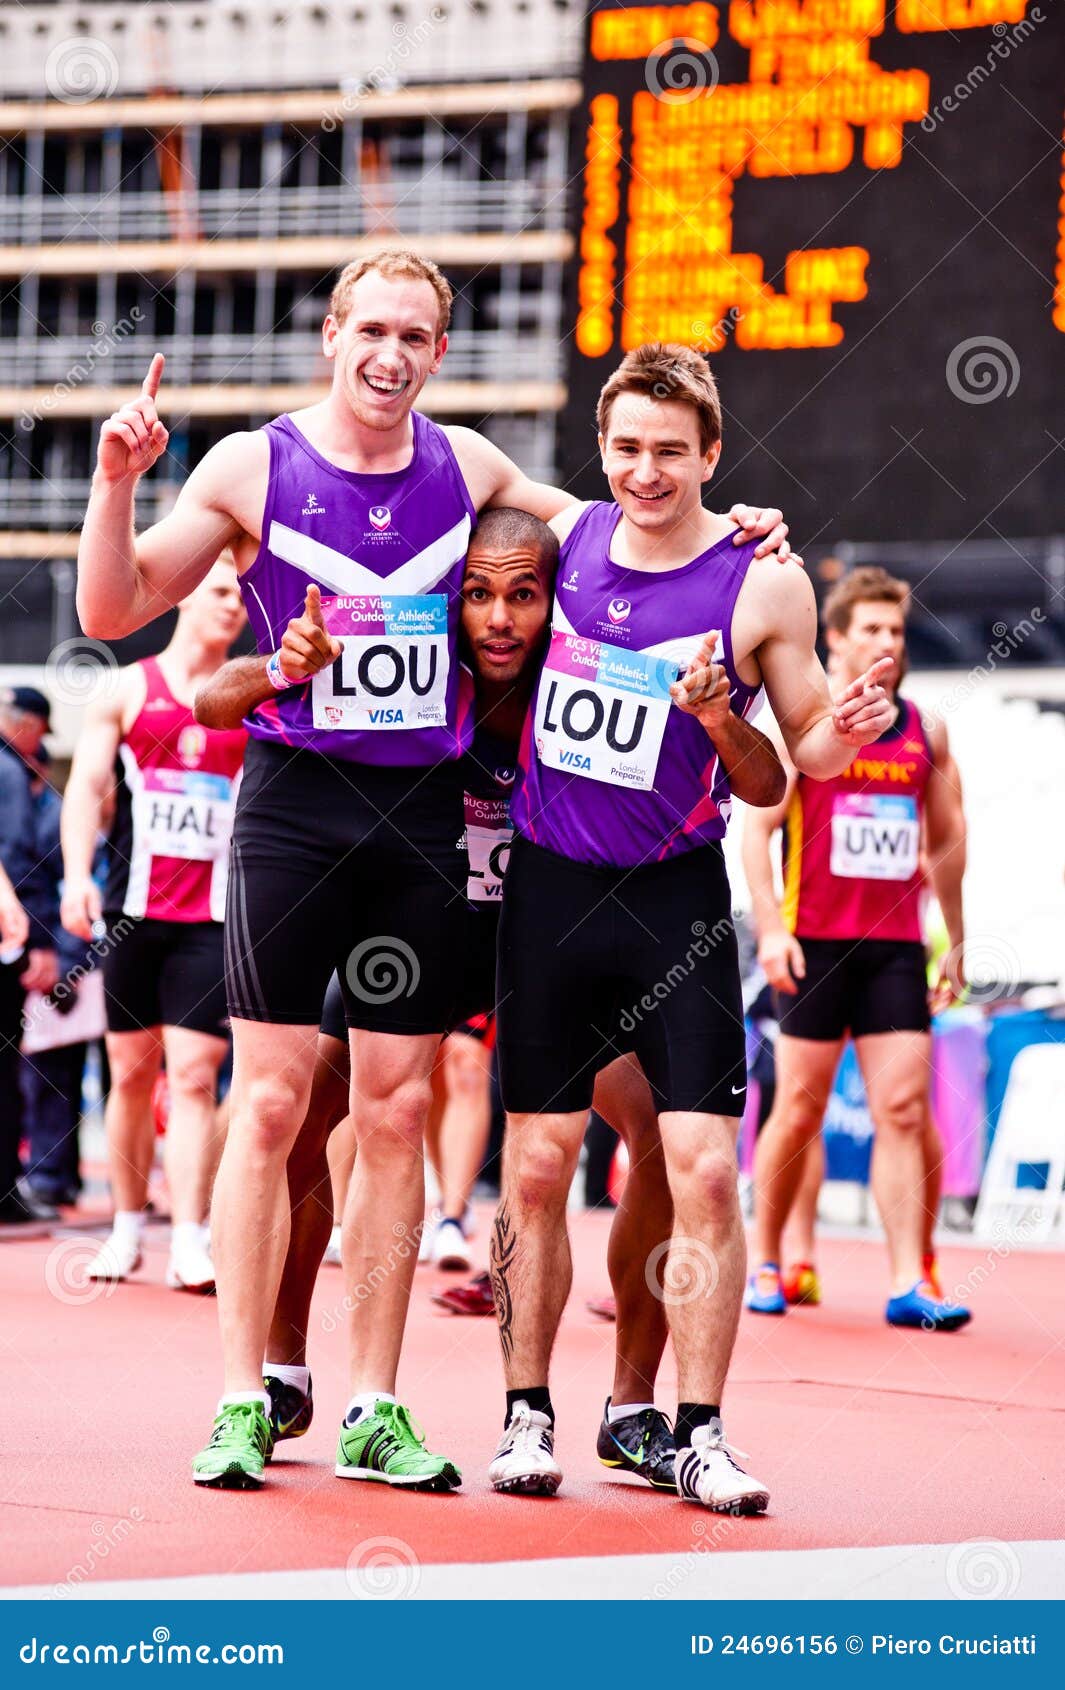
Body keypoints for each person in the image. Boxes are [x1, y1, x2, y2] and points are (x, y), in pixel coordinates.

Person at [75, 247, 795, 1490]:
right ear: (332, 334)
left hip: (416, 817)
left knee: (401, 1108)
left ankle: (376, 1403)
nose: (390, 356)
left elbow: (628, 526)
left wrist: (735, 531)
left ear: (439, 352)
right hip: (297, 809)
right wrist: (115, 483)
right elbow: (115, 606)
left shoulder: (467, 466)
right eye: (371, 331)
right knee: (274, 1102)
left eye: (416, 336)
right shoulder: (254, 464)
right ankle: (244, 1395)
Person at [194, 506, 788, 1490]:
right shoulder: (416, 677)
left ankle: (633, 1407)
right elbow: (223, 692)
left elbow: (638, 510)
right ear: (450, 598)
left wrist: (731, 521)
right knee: (306, 1113)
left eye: (525, 594)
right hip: (425, 936)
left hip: (552, 934)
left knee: (657, 1135)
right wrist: (285, 664)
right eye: (477, 594)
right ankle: (282, 1369)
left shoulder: (592, 666)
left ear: (560, 598)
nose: (501, 618)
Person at [489, 342, 897, 1513]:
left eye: (672, 451)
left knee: (706, 1171)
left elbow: (788, 770)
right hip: (553, 892)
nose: (647, 472)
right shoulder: (559, 541)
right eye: (627, 448)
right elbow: (452, 468)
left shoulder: (763, 582)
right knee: (537, 1163)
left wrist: (767, 722)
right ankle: (526, 1414)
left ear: (712, 454)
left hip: (675, 902)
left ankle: (697, 1429)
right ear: (603, 449)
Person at [741, 566, 971, 1330]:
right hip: (814, 944)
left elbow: (946, 843)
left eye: (896, 630)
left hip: (895, 948)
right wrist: (770, 930)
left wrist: (957, 940)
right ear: (834, 639)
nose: (886, 642)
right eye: (870, 629)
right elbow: (755, 832)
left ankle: (908, 1278)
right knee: (798, 1112)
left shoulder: (924, 730)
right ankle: (766, 1258)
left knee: (902, 1110)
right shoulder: (808, 727)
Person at [60, 556, 247, 1291]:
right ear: (185, 598)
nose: (234, 605)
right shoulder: (126, 688)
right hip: (133, 913)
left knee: (195, 1078)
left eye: (241, 595)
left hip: (216, 916)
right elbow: (87, 790)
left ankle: (190, 1235)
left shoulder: (252, 696)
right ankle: (127, 1227)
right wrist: (76, 875)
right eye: (221, 592)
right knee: (130, 1076)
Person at [0, 690, 60, 1227]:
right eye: (40, 730)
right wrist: (40, 941)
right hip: (7, 939)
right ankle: (3, 1188)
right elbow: (21, 858)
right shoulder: (9, 771)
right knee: (5, 1065)